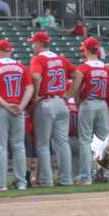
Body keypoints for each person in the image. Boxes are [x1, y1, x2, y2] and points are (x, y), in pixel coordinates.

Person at [0, 39, 33, 191]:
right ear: (10, 51)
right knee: (19, 146)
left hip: (1, 108)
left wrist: (6, 105)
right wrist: (21, 106)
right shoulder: (21, 67)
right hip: (18, 109)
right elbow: (30, 88)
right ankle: (21, 183)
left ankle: (1, 184)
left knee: (1, 147)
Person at [29, 31, 75, 187]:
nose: (32, 46)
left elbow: (36, 76)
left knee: (43, 144)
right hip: (61, 102)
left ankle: (46, 180)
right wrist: (68, 95)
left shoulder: (38, 58)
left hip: (46, 102)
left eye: (33, 43)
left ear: (39, 43)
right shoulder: (61, 59)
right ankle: (66, 179)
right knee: (62, 143)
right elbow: (78, 75)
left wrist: (35, 95)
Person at [71, 37, 109, 186]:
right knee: (103, 140)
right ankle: (106, 174)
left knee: (85, 141)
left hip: (88, 103)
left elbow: (76, 87)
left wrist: (72, 97)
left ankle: (86, 176)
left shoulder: (84, 67)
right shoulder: (105, 67)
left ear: (86, 50)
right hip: (102, 103)